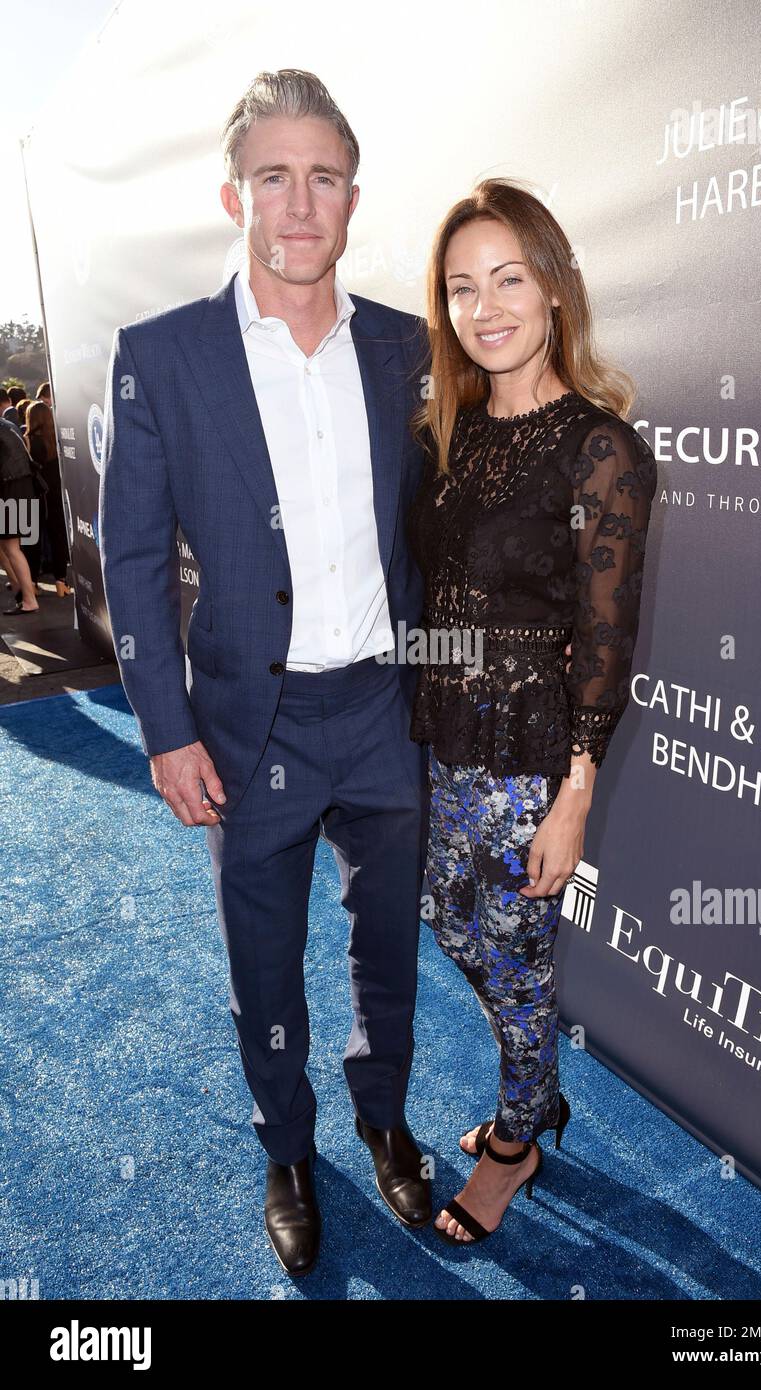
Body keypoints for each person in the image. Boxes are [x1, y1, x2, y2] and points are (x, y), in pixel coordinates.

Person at [99, 68, 433, 1279]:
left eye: (325, 178)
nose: (301, 205)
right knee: (262, 954)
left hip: (386, 713)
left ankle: (381, 1114)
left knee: (386, 939)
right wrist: (164, 730)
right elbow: (130, 562)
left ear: (352, 195)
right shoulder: (162, 356)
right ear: (233, 195)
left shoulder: (406, 346)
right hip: (250, 721)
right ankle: (286, 1148)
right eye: (275, 178)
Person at [405, 177, 658, 1244]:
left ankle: (515, 1143)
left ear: (554, 289)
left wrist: (574, 796)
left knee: (515, 963)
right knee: (452, 926)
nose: (486, 305)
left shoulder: (598, 449)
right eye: (462, 287)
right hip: (444, 738)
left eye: (509, 277)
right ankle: (534, 1088)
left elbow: (604, 643)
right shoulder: (447, 435)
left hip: (529, 761)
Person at [24, 399, 72, 596]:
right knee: (58, 536)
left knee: (32, 539)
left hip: (36, 495)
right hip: (56, 494)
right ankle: (61, 582)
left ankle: (33, 583)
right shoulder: (58, 440)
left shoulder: (27, 441)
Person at [0, 417, 40, 614]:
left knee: (11, 547)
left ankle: (29, 599)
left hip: (11, 490)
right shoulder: (8, 425)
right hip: (23, 488)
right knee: (8, 547)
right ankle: (20, 589)